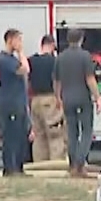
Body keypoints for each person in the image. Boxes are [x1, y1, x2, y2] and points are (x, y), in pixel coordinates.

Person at [55, 29, 101, 177]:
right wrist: (98, 98)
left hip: (67, 99)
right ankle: (80, 164)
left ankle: (72, 164)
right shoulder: (85, 56)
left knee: (72, 132)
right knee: (86, 131)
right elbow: (90, 79)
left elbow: (57, 81)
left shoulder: (60, 58)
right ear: (81, 39)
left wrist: (58, 98)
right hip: (83, 99)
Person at [0, 29, 31, 176]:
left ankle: (19, 167)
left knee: (21, 135)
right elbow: (25, 69)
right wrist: (21, 52)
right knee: (12, 136)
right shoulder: (4, 60)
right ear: (10, 40)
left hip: (19, 102)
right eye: (18, 40)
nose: (20, 43)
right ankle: (10, 168)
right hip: (10, 103)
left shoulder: (12, 59)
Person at [28, 34, 66, 165]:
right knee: (55, 135)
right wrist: (59, 98)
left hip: (35, 101)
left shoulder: (31, 60)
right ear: (52, 45)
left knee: (39, 136)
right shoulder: (54, 61)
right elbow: (58, 81)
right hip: (50, 100)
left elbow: (26, 81)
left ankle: (39, 166)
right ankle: (55, 165)